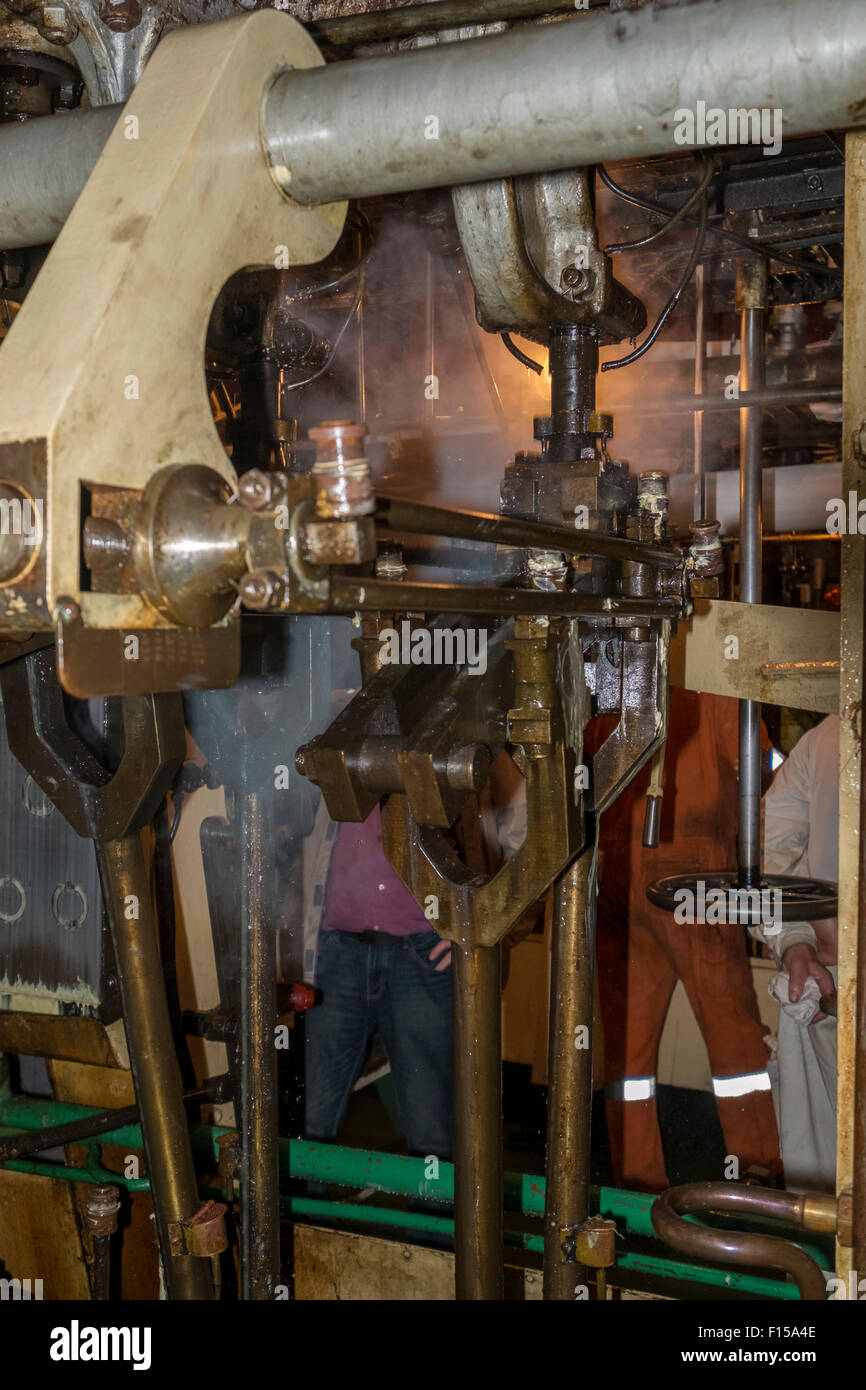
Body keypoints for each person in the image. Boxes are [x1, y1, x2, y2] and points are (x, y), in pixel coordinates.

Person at [594, 688, 782, 1193]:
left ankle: (635, 1183)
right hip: (693, 874)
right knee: (734, 1035)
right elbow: (758, 771)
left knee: (626, 1054)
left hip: (614, 867)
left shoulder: (611, 667)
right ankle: (758, 1173)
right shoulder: (713, 678)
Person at [301, 749, 526, 1161]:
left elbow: (531, 845)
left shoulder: (469, 736)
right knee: (315, 1126)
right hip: (335, 954)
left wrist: (482, 925)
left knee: (431, 1134)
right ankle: (302, 1226)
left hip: (423, 959)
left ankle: (431, 1227)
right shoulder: (338, 725)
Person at [752, 714, 839, 1192]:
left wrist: (795, 941)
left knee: (834, 1185)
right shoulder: (826, 740)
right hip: (828, 986)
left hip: (829, 983)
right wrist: (795, 941)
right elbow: (771, 861)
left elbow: (768, 855)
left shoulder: (828, 737)